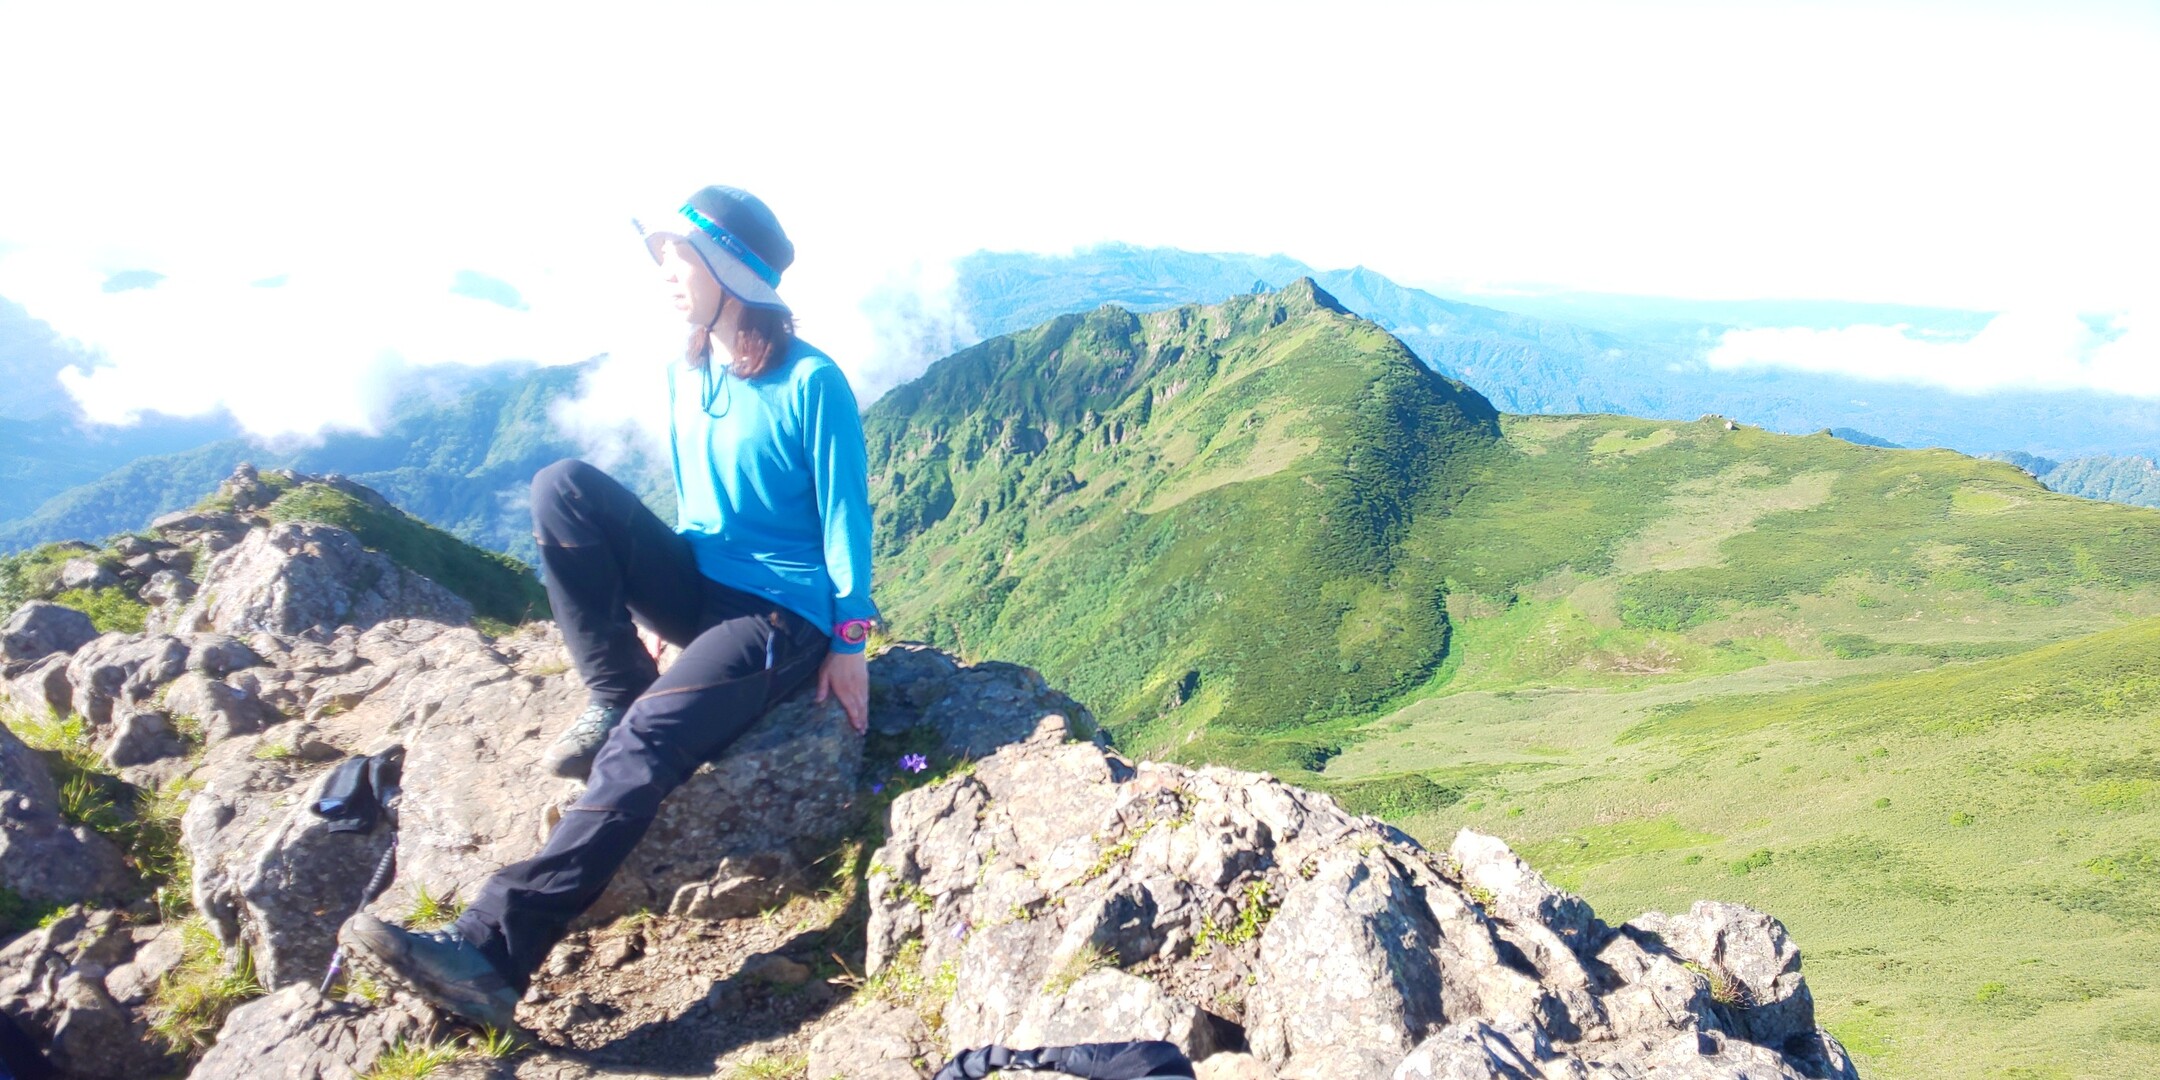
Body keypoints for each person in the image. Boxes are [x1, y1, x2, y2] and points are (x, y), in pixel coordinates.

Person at [343, 185, 878, 1030]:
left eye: (680, 259)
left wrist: (848, 638)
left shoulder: (813, 382)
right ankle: (615, 686)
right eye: (662, 259)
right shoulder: (691, 367)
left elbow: (847, 515)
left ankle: (492, 951)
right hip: (704, 588)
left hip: (782, 615)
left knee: (647, 743)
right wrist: (661, 615)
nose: (666, 275)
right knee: (563, 488)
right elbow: (697, 507)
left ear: (729, 270)